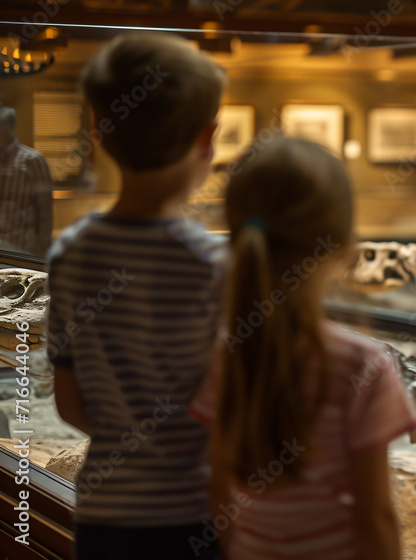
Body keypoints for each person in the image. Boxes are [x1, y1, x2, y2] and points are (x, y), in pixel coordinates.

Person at [189, 136, 416, 560]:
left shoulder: (222, 354)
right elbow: (375, 518)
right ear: (345, 244)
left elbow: (219, 484)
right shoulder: (363, 365)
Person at [46, 32, 227, 559]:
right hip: (198, 510)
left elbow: (70, 401)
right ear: (208, 138)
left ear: (98, 135)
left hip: (106, 512)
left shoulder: (69, 252)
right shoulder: (215, 264)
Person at [0, 106, 53, 257]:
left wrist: (42, 245)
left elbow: (45, 207)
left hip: (21, 248)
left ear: (8, 129)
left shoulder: (31, 159)